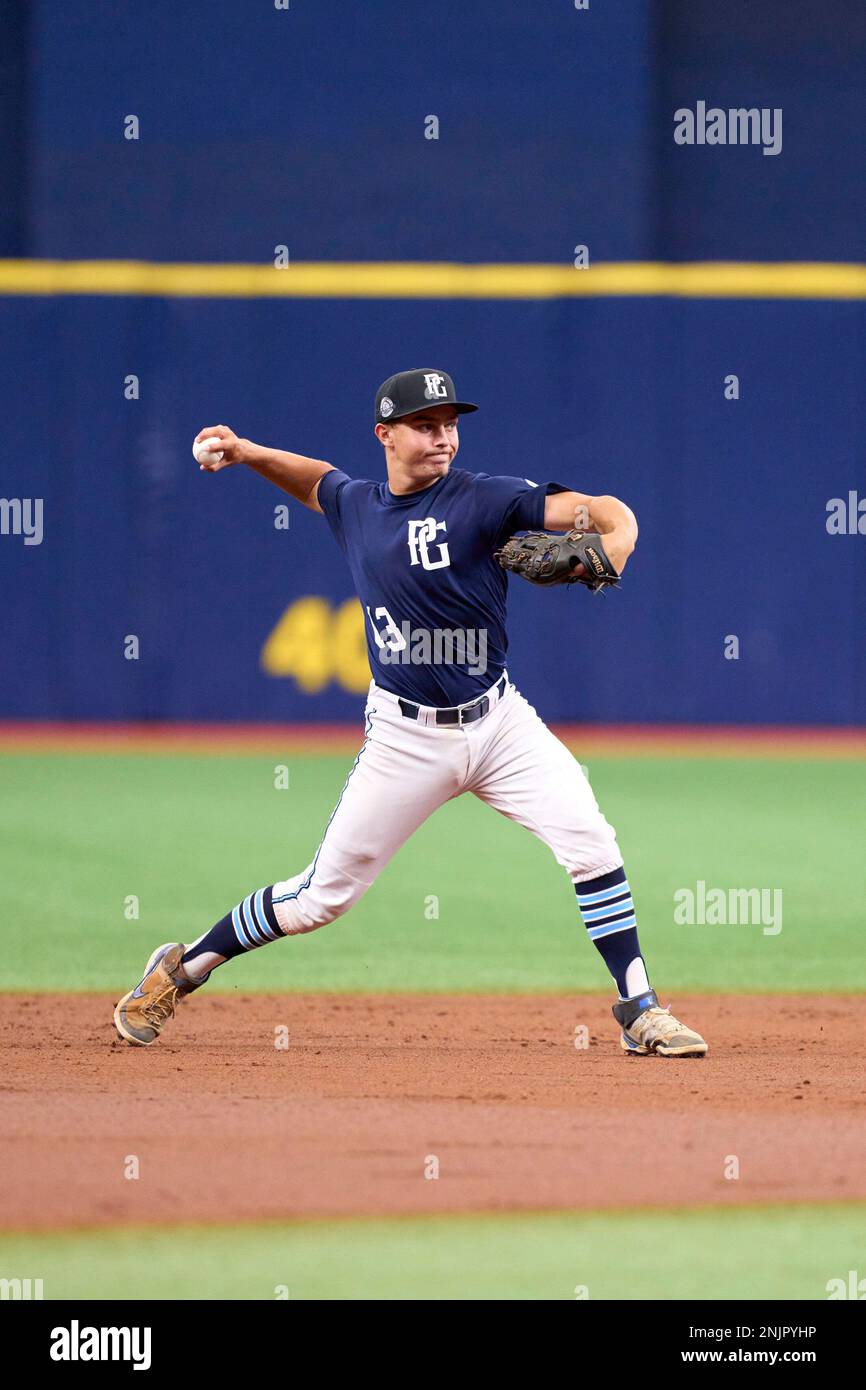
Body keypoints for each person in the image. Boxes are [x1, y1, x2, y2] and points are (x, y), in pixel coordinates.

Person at [114, 368, 707, 1058]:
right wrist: (248, 452)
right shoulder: (357, 506)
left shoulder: (487, 499)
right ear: (385, 435)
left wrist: (617, 544)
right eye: (426, 424)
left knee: (593, 844)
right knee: (318, 900)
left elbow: (605, 511)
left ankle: (640, 1008)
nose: (443, 437)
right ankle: (179, 971)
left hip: (500, 724)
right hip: (405, 738)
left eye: (451, 423)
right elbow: (316, 481)